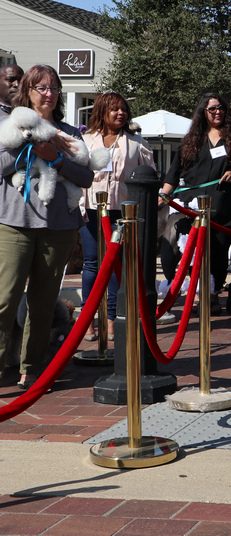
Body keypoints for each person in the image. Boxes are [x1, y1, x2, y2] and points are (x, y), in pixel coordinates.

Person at [0, 64, 93, 388]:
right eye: (41, 88)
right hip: (14, 225)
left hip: (59, 229)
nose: (49, 94)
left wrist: (56, 159)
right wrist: (29, 148)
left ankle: (32, 368)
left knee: (42, 304)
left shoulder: (69, 131)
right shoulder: (10, 125)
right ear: (28, 91)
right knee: (5, 299)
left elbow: (86, 177)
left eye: (54, 87)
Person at [158, 93, 231, 315]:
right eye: (212, 108)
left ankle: (212, 295)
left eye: (221, 107)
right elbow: (173, 173)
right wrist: (163, 195)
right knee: (189, 248)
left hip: (222, 204)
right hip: (190, 205)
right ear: (203, 113)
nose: (218, 112)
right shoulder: (191, 141)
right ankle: (195, 290)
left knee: (218, 249)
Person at [80, 91, 156, 340]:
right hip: (91, 209)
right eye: (114, 109)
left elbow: (149, 176)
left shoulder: (136, 143)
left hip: (122, 212)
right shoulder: (85, 140)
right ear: (102, 111)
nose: (121, 113)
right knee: (92, 263)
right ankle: (87, 319)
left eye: (123, 109)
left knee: (116, 265)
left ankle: (112, 319)